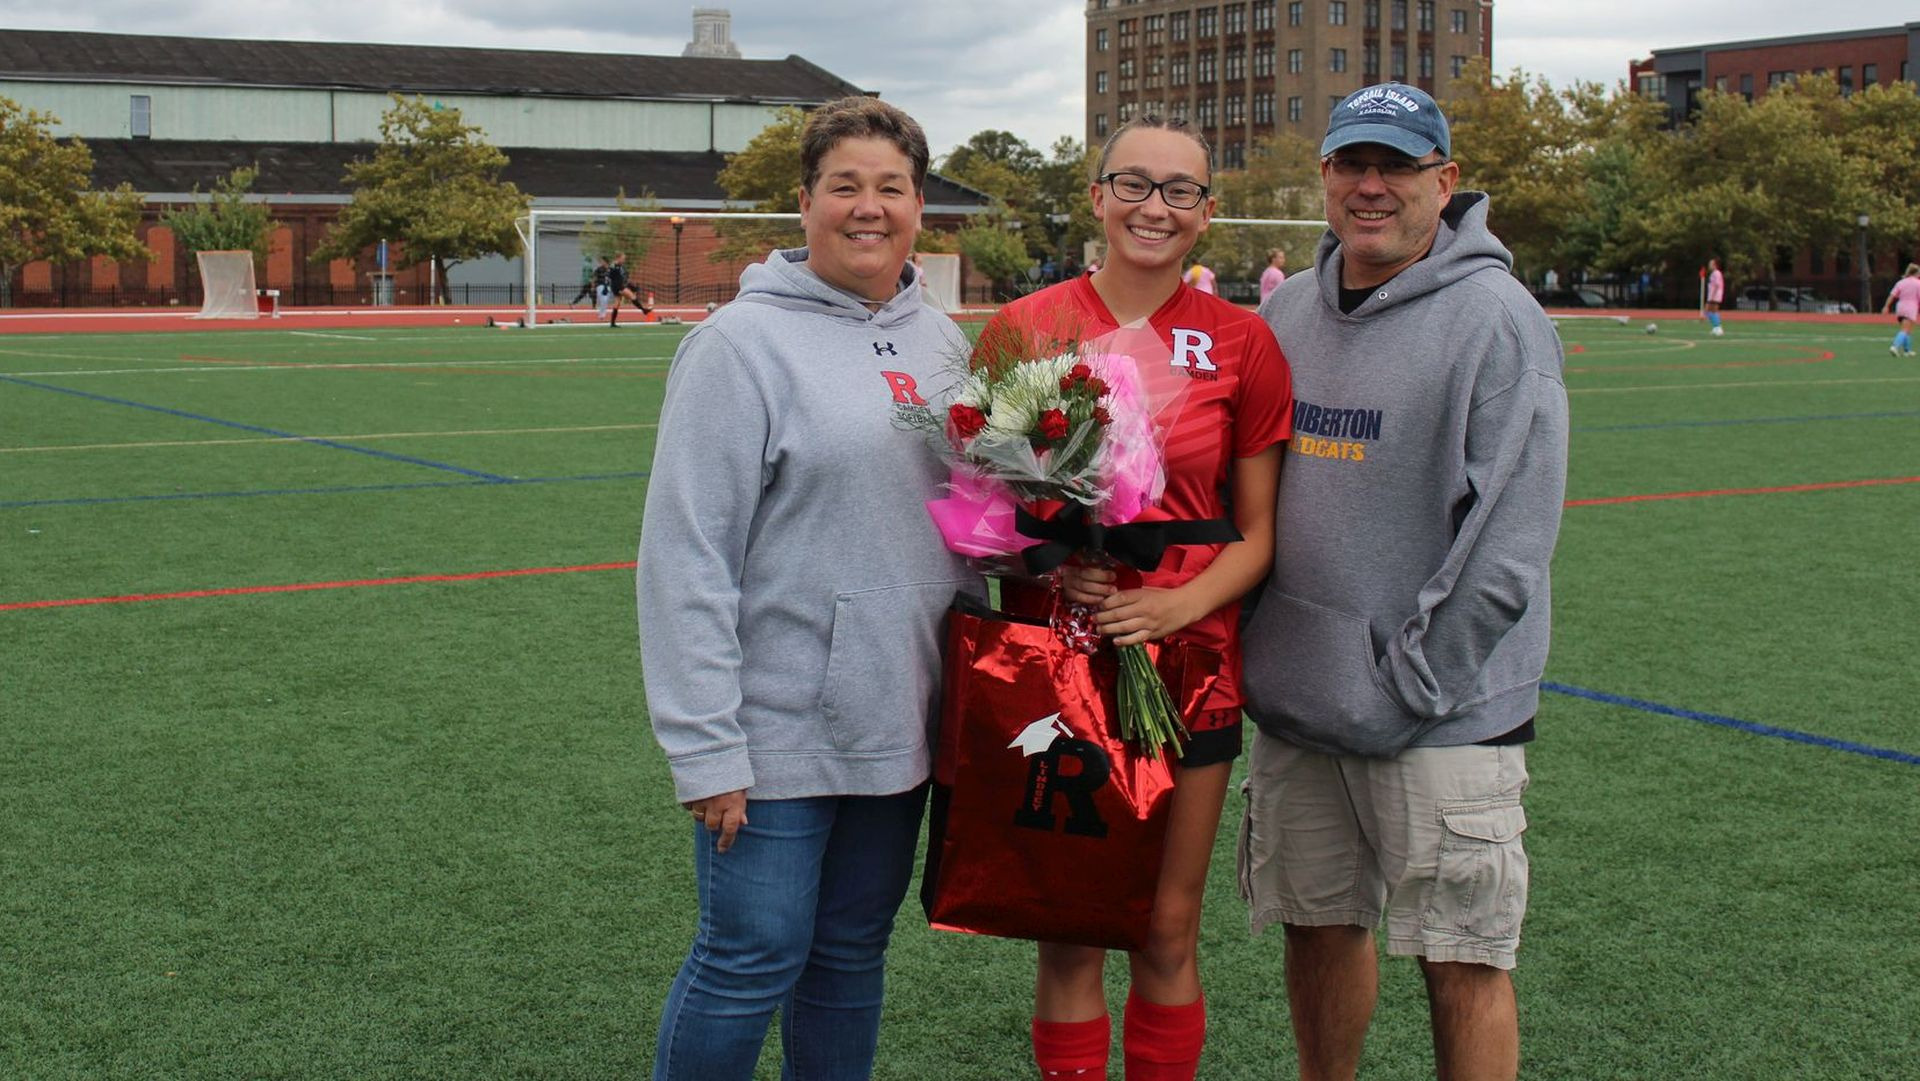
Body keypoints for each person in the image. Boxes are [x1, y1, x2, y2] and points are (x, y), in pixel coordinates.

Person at [637, 95, 981, 1081]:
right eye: (845, 186)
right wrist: (707, 746)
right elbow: (687, 554)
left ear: (918, 206)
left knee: (848, 956)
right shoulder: (737, 346)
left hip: (902, 720)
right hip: (774, 731)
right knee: (749, 957)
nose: (869, 208)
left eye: (891, 187)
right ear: (805, 202)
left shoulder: (943, 343)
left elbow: (968, 519)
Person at [1242, 83, 1568, 1081]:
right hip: (1303, 702)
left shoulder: (1498, 321)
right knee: (1317, 927)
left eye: (1396, 166)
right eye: (1352, 164)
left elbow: (1507, 546)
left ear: (1445, 179)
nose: (1371, 186)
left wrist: (1409, 686)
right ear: (1326, 176)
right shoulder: (1287, 311)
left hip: (1442, 713)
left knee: (1462, 960)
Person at [981, 114, 1293, 1081]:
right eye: (1134, 184)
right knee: (1071, 930)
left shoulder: (1244, 341)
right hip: (1059, 661)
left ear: (1207, 212)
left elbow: (1258, 533)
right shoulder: (1023, 328)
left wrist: (1174, 607)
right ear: (1097, 197)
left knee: (1165, 926)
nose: (1155, 207)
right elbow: (985, 514)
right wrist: (1049, 563)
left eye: (1180, 190)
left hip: (1192, 663)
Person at [1883, 262, 1919, 357]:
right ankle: (1895, 346)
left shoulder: (1901, 282)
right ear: (1916, 273)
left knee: (1907, 329)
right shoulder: (1918, 283)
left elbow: (1892, 295)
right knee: (1905, 330)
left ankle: (1907, 350)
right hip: (1911, 308)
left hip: (1900, 308)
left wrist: (1886, 306)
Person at [606, 252, 631, 327]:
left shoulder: (620, 266)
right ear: (618, 258)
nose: (624, 260)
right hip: (617, 286)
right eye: (623, 258)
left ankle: (612, 323)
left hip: (619, 285)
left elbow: (623, 274)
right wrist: (606, 285)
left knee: (617, 303)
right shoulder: (613, 265)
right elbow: (608, 275)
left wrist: (625, 279)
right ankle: (644, 310)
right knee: (632, 296)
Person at [1704, 257, 1725, 336]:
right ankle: (1716, 327)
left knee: (1712, 311)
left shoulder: (1717, 273)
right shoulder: (1713, 273)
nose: (1709, 265)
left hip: (1715, 295)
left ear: (1715, 265)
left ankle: (1718, 327)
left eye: (1711, 264)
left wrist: (1712, 296)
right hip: (1712, 295)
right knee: (1709, 311)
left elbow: (1717, 285)